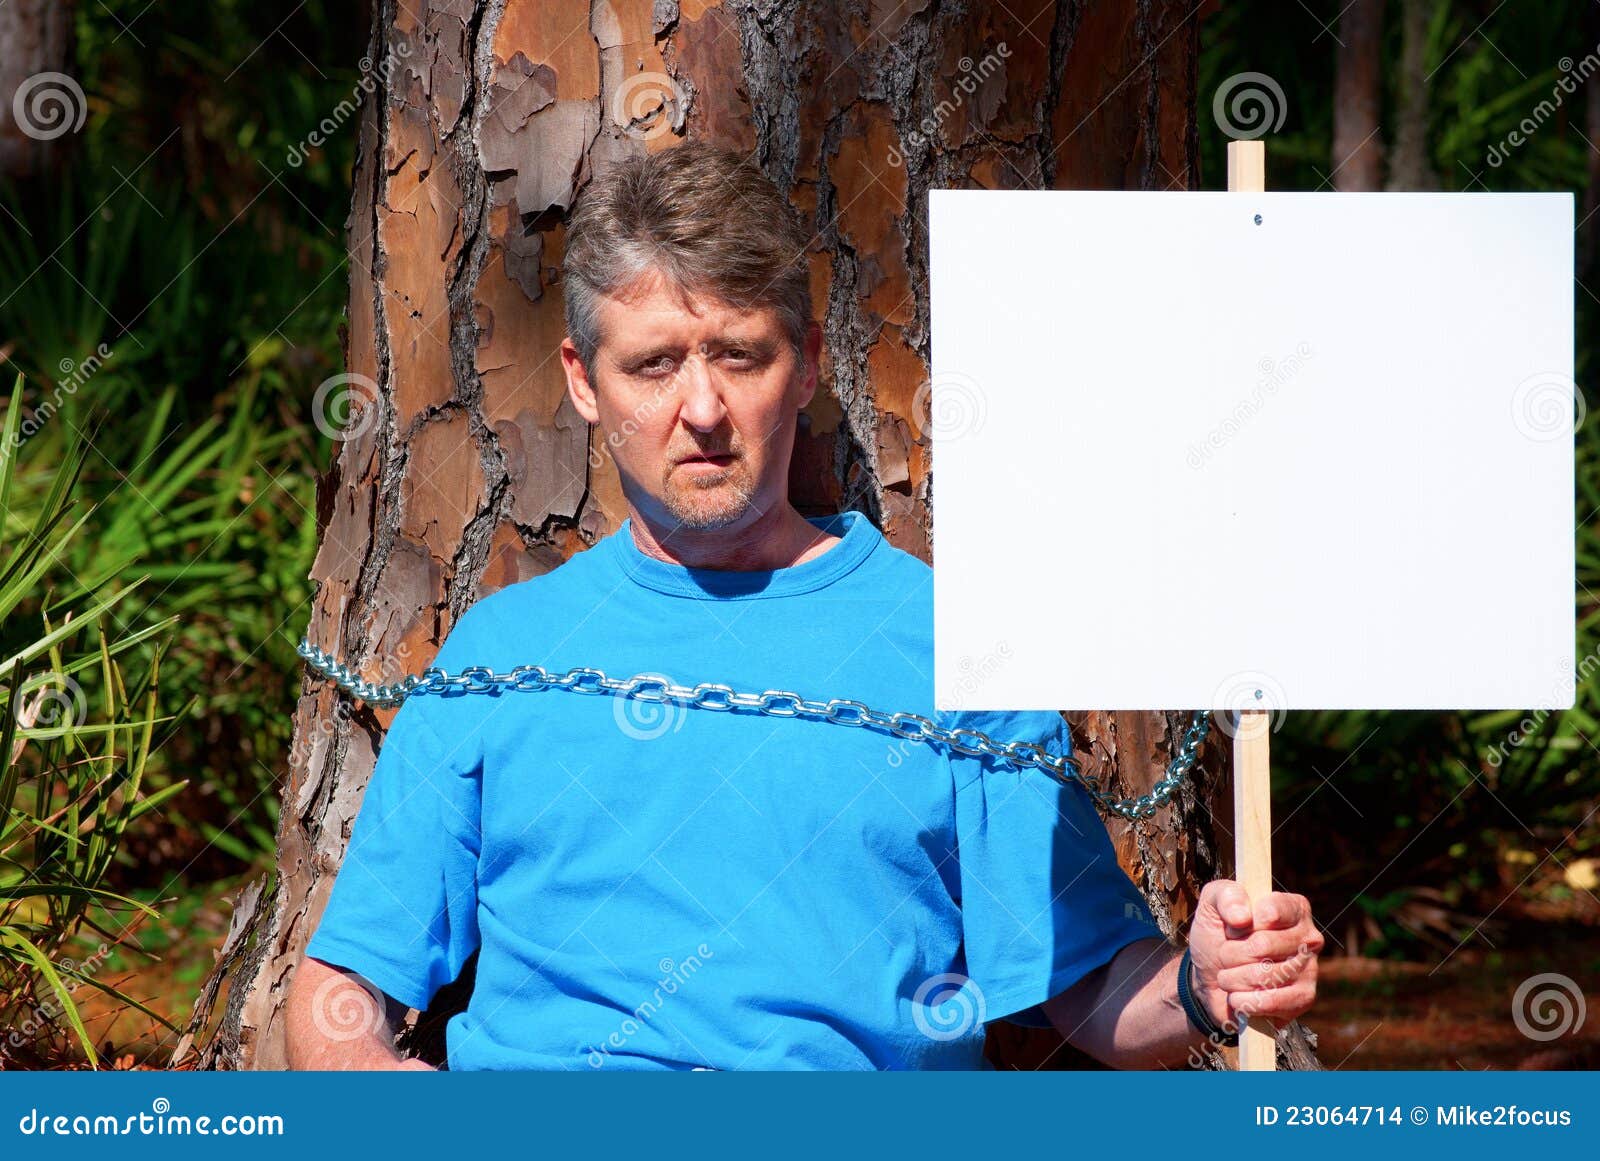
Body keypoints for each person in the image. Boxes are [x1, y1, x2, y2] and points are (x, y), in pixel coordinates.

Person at [286, 141, 1322, 1071]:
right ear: (585, 382)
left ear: (808, 362)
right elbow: (338, 993)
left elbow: (1090, 994)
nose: (701, 410)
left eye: (740, 355)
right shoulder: (505, 654)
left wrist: (1204, 985)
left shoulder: (952, 644)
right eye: (653, 365)